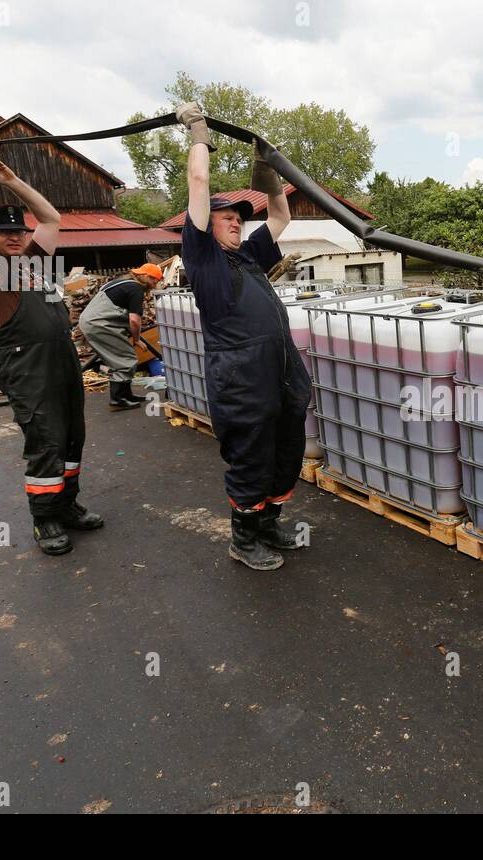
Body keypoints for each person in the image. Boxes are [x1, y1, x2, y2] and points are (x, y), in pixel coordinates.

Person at [176, 101, 312, 571]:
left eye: (238, 217)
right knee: (251, 458)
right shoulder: (204, 259)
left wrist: (266, 166)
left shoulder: (247, 255)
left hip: (280, 373)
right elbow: (198, 183)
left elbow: (279, 215)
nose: (236, 221)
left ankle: (270, 523)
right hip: (240, 379)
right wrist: (198, 131)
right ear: (205, 227)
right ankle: (243, 538)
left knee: (285, 452)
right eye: (225, 217)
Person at [0, 136, 102, 557]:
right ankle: (46, 519)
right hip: (28, 368)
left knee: (73, 438)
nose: (16, 237)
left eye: (18, 230)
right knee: (45, 443)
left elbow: (51, 218)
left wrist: (13, 180)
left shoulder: (35, 262)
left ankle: (67, 504)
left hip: (63, 362)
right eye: (4, 232)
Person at [78, 263, 162, 411]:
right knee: (125, 359)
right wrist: (136, 339)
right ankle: (117, 400)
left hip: (95, 321)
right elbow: (134, 321)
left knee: (125, 356)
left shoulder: (122, 282)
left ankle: (126, 395)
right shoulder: (136, 289)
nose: (156, 285)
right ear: (148, 277)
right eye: (155, 281)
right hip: (99, 324)